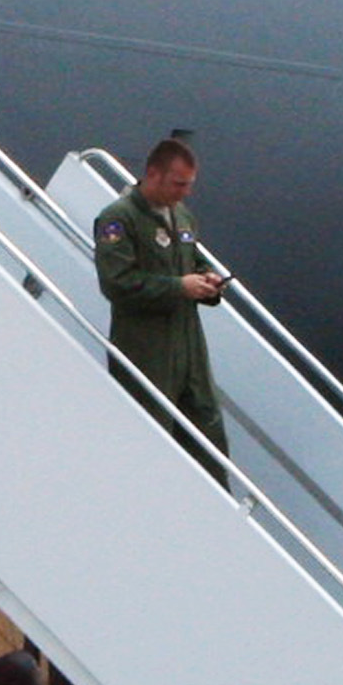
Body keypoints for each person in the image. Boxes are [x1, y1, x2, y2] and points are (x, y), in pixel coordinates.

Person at [91, 135, 229, 459]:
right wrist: (178, 287)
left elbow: (192, 259)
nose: (185, 193)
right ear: (153, 174)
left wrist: (208, 279)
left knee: (206, 432)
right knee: (151, 437)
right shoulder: (119, 219)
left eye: (189, 185)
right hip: (146, 349)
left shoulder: (181, 216)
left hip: (188, 345)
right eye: (178, 184)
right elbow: (117, 283)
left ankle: (210, 504)